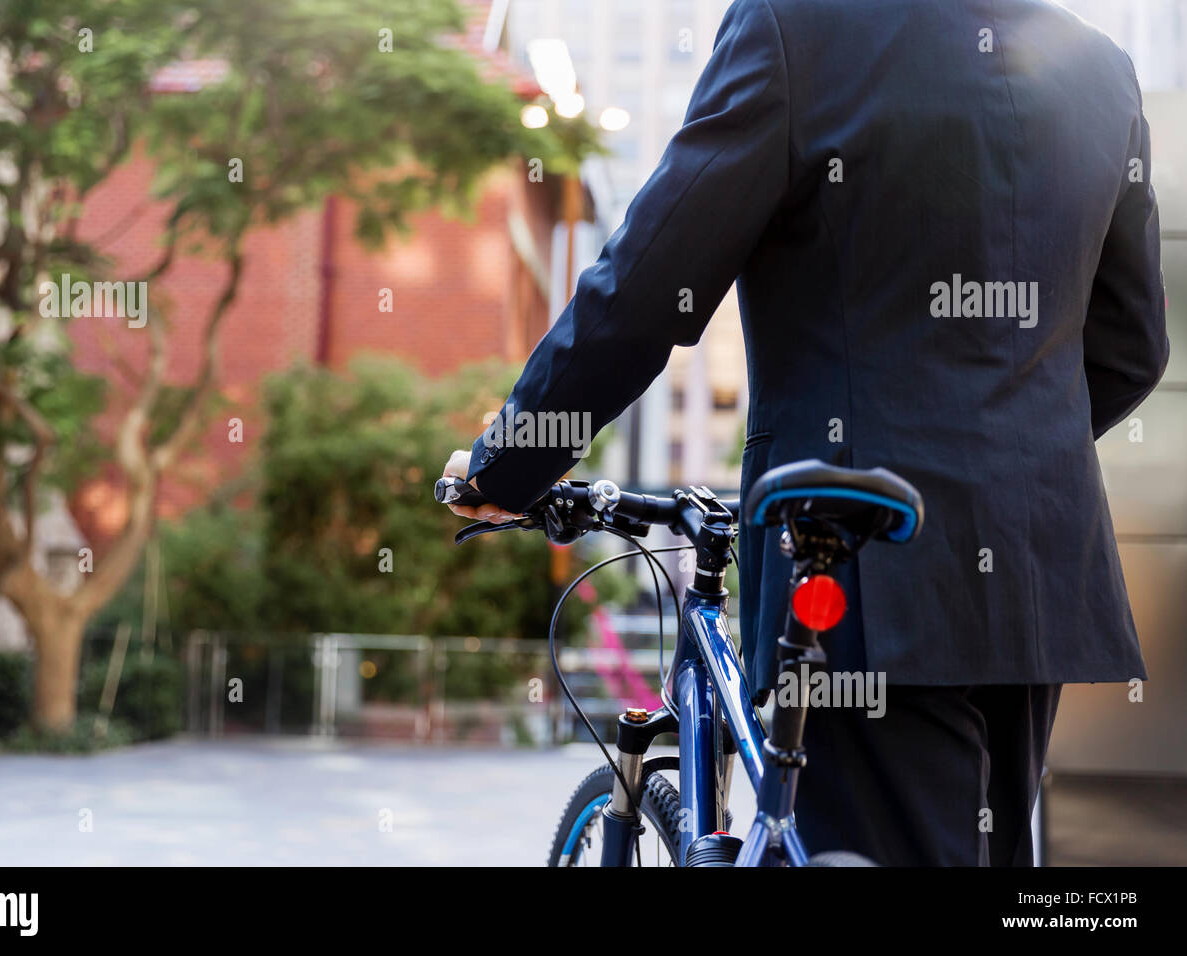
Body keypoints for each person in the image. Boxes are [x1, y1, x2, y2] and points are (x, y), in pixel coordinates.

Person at [442, 0, 1168, 865]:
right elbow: (1132, 347)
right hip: (1034, 574)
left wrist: (507, 463)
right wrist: (1008, 459)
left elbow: (646, 287)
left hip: (861, 567)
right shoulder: (1096, 68)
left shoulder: (796, 25)